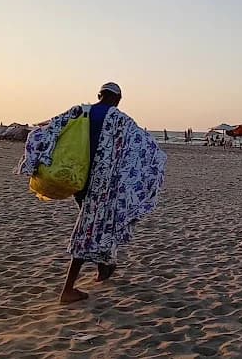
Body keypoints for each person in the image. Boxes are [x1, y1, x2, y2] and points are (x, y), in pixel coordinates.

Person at [17, 82, 166, 304]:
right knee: (89, 230)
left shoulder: (79, 111)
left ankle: (104, 267)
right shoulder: (121, 120)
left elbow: (46, 131)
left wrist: (35, 161)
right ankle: (68, 289)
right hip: (102, 185)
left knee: (95, 224)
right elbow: (146, 148)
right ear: (117, 100)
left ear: (99, 95)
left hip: (78, 181)